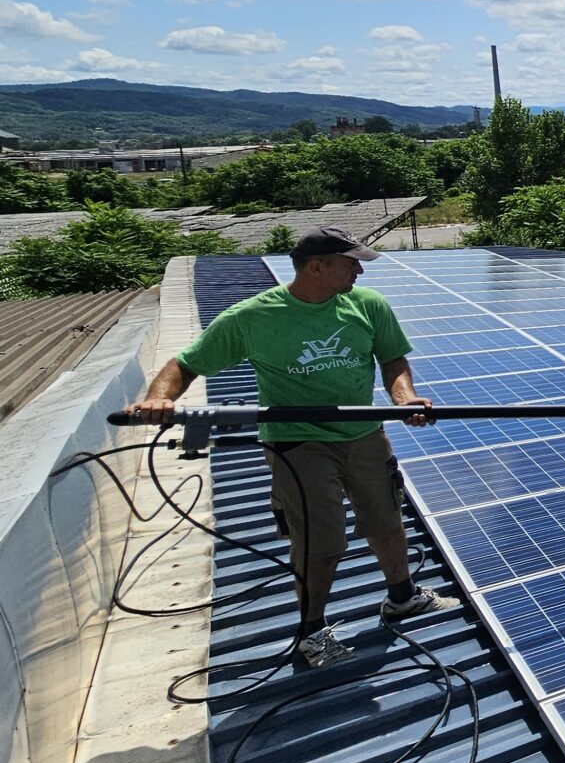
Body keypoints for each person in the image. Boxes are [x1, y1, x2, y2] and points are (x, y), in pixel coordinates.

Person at [132, 226, 456, 667]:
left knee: (385, 519)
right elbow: (184, 364)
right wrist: (161, 397)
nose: (359, 270)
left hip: (361, 434)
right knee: (320, 541)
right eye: (351, 263)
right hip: (297, 441)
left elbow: (392, 357)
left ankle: (403, 597)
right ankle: (312, 631)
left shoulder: (367, 305)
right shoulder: (252, 317)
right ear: (317, 267)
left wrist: (404, 399)